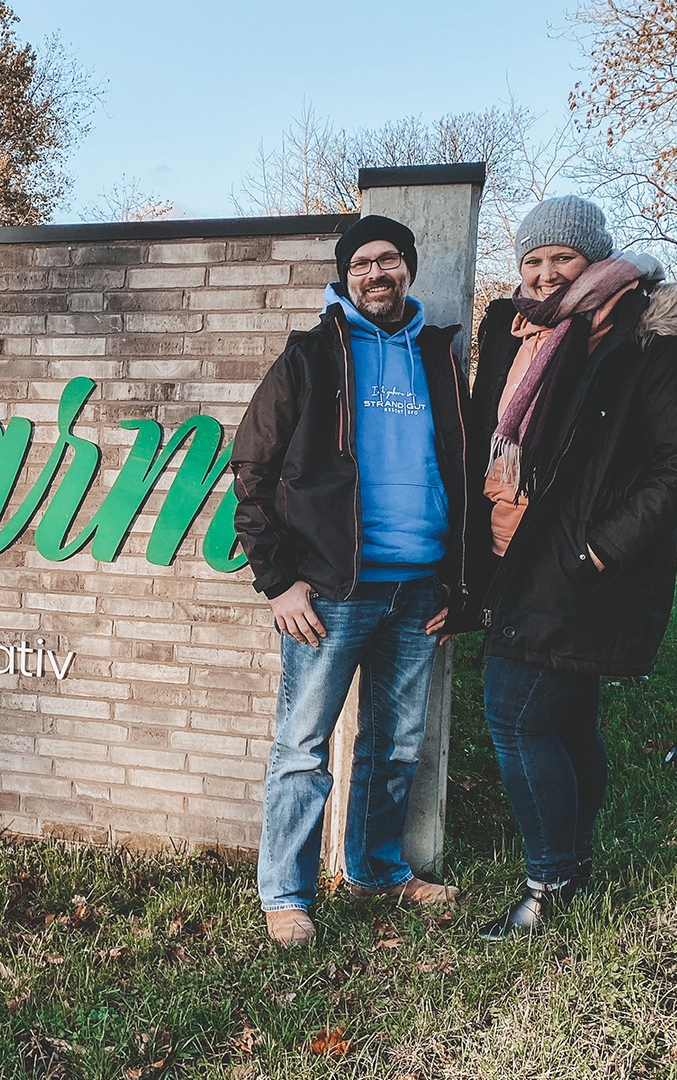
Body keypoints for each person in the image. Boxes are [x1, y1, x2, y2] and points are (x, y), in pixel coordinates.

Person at [468, 196, 677, 939]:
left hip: (576, 562)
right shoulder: (519, 331)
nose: (546, 273)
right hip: (514, 552)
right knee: (568, 716)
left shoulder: (649, 334)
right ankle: (573, 869)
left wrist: (601, 546)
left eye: (563, 258)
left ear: (596, 259)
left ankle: (548, 884)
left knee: (514, 717)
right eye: (533, 260)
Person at [232, 214, 471, 948]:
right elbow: (252, 470)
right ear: (345, 276)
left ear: (408, 268)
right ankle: (286, 894)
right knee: (303, 750)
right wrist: (279, 583)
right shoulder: (311, 356)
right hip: (332, 592)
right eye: (362, 263)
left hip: (419, 591)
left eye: (388, 259)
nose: (376, 273)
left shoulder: (439, 357)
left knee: (395, 745)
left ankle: (376, 870)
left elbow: (464, 473)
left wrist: (460, 584)